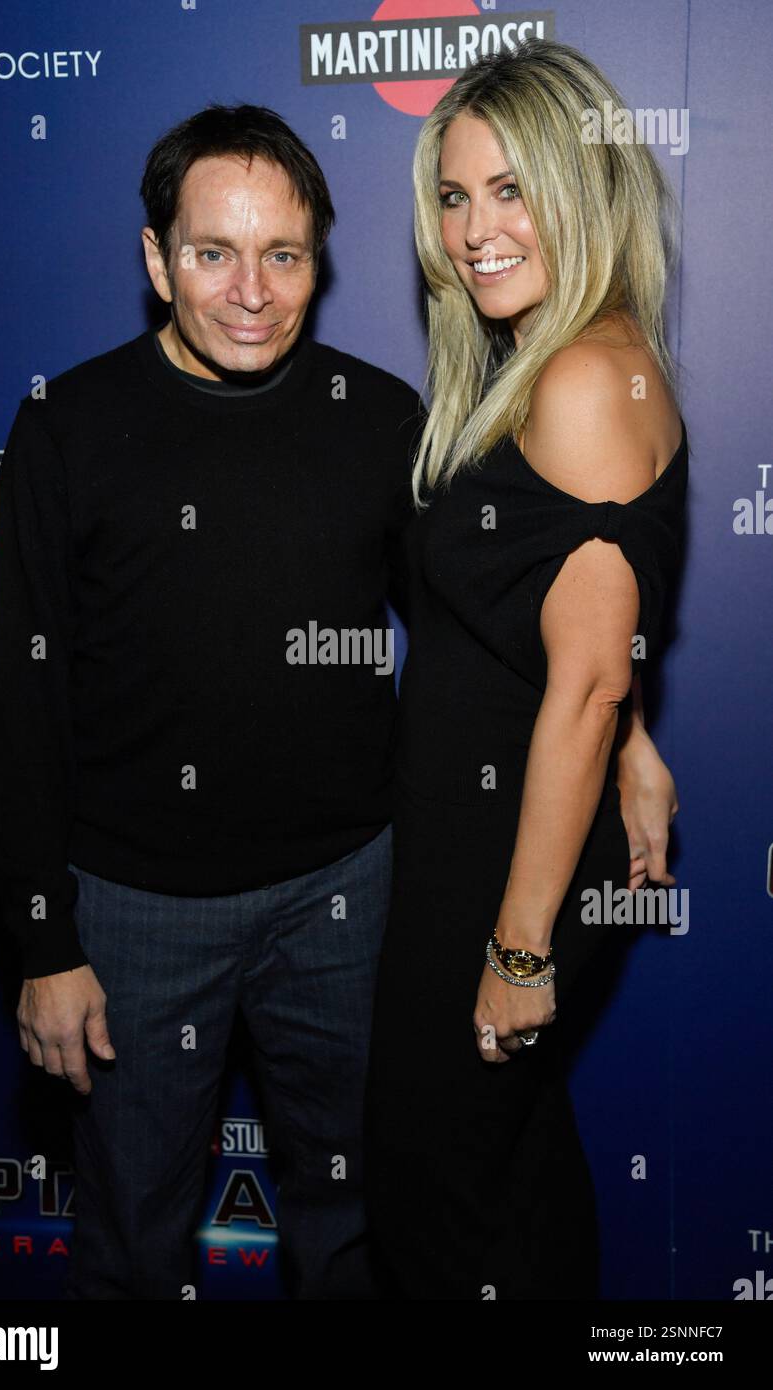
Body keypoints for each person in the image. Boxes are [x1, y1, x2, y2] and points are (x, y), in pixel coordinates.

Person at [0, 99, 677, 1302]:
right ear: (156, 260)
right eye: (212, 253)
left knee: (365, 1225)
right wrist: (44, 941)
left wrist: (624, 734)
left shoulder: (383, 420)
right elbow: (20, 697)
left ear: (321, 259)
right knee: (131, 1239)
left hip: (352, 900)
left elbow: (519, 620)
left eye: (283, 255)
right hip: (138, 913)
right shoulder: (67, 425)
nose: (250, 291)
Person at [363, 38, 689, 1300]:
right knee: (504, 1165)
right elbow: (592, 617)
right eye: (452, 196)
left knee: (432, 1185)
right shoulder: (574, 354)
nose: (473, 230)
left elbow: (586, 682)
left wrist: (515, 947)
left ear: (578, 188)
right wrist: (640, 745)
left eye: (510, 190)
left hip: (512, 856)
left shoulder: (575, 381)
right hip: (486, 825)